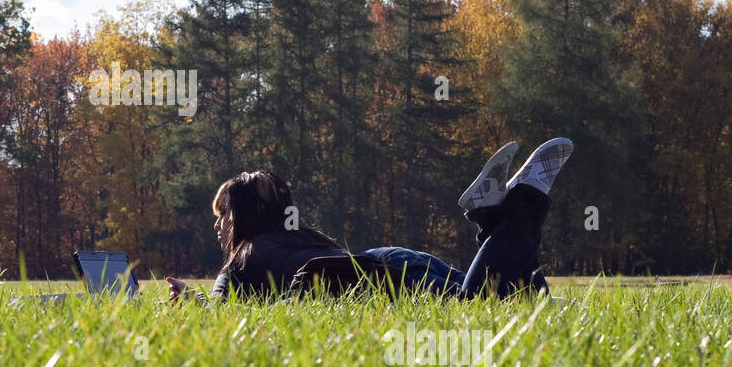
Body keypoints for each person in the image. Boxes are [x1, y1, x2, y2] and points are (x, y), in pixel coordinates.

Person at [165, 138, 573, 302]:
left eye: (224, 215)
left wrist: (192, 300)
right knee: (505, 295)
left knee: (481, 303)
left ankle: (523, 199)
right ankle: (490, 213)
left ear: (243, 218)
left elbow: (221, 315)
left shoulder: (242, 259)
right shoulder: (297, 237)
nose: (218, 226)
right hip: (388, 258)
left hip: (374, 278)